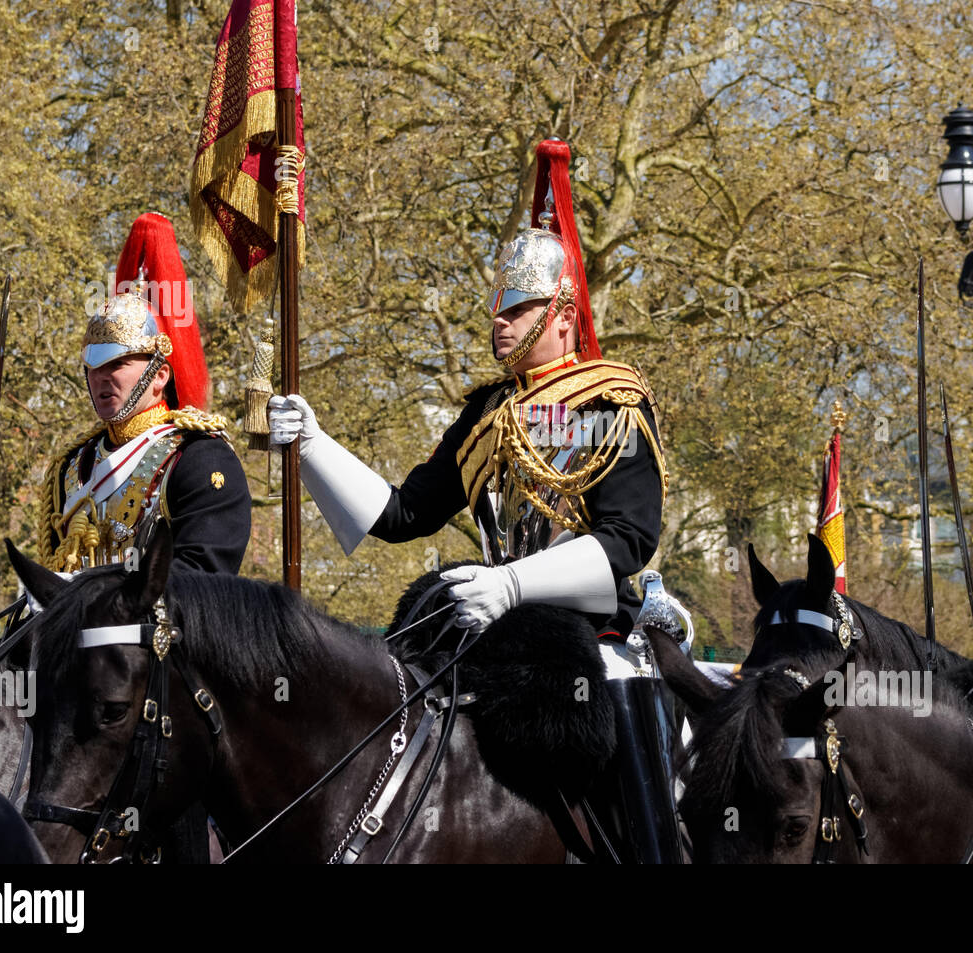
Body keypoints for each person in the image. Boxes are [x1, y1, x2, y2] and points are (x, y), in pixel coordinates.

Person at [268, 139, 680, 862]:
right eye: (497, 303)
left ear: (561, 312)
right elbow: (402, 515)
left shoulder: (611, 401)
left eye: (517, 307)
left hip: (590, 631)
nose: (499, 318)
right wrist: (314, 444)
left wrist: (513, 582)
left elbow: (627, 542)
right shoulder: (487, 413)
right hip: (488, 624)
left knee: (619, 689)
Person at [38, 213, 250, 575]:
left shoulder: (199, 458)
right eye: (94, 368)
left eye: (117, 365)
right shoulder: (70, 465)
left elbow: (202, 580)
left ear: (159, 375)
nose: (101, 378)